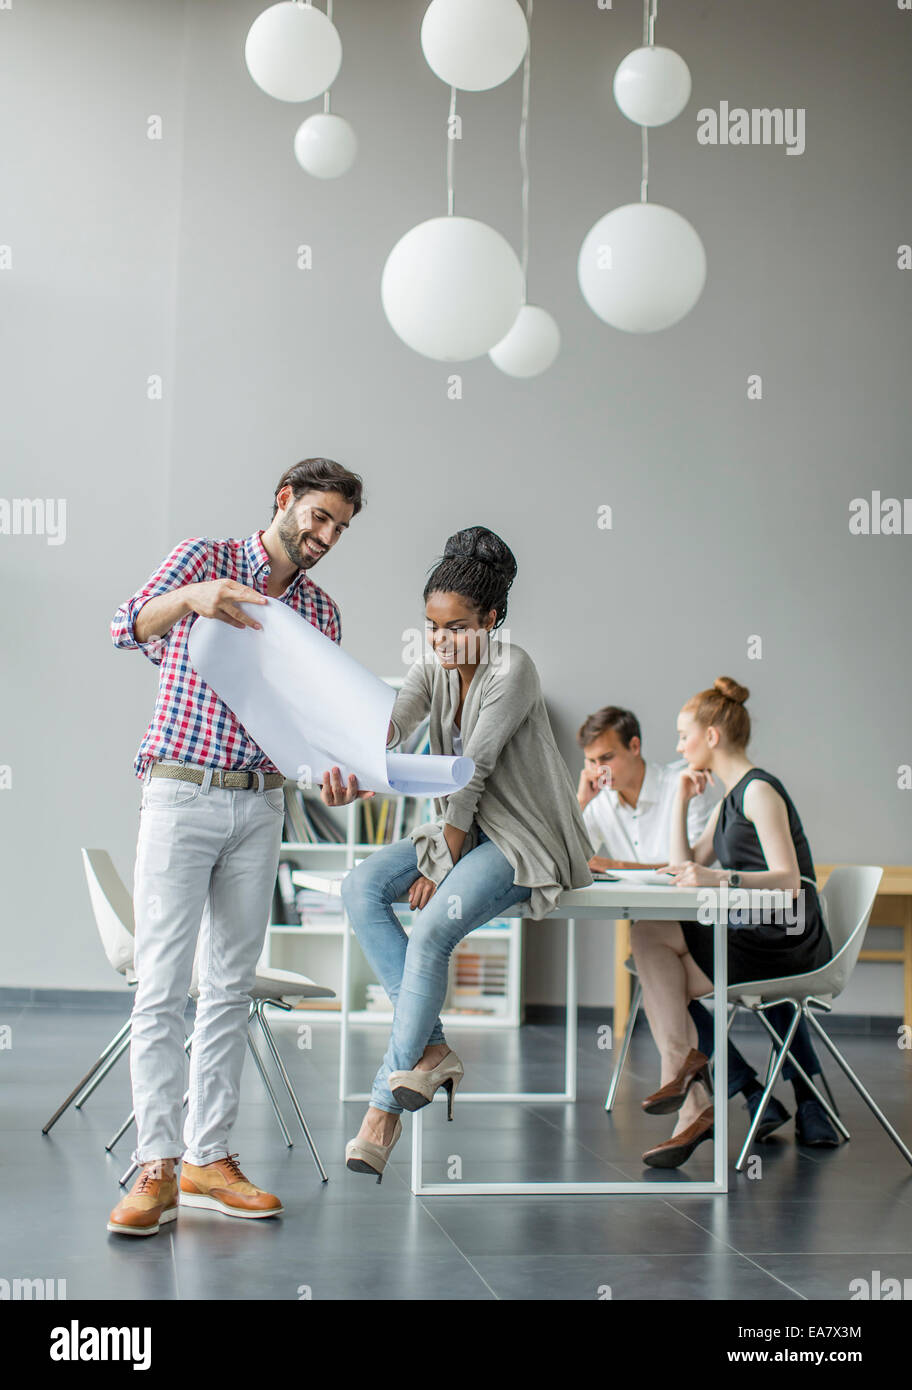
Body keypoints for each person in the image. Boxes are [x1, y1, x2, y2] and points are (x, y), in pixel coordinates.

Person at [107, 457, 366, 1235]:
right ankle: (154, 1162)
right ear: (284, 501)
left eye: (339, 530)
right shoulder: (205, 559)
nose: (324, 538)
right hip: (180, 792)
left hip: (261, 807)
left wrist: (337, 772)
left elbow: (310, 726)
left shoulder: (321, 612)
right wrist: (192, 599)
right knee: (161, 986)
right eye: (317, 518)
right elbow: (124, 626)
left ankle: (207, 1158)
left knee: (228, 987)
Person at [322, 526, 594, 1182]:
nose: (441, 642)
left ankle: (382, 1110)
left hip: (522, 836)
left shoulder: (513, 669)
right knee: (359, 888)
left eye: (456, 628)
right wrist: (351, 764)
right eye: (431, 627)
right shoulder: (434, 665)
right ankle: (433, 1048)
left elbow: (472, 770)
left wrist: (439, 868)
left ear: (493, 619)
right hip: (460, 832)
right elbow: (392, 722)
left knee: (432, 931)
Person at [577, 704, 839, 1151]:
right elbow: (686, 866)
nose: (678, 748)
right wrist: (681, 799)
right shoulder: (728, 799)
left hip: (786, 934)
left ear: (712, 737)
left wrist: (722, 878)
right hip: (753, 927)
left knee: (657, 959)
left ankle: (692, 1088)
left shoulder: (758, 791)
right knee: (648, 942)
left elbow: (789, 882)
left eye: (684, 736)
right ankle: (691, 1092)